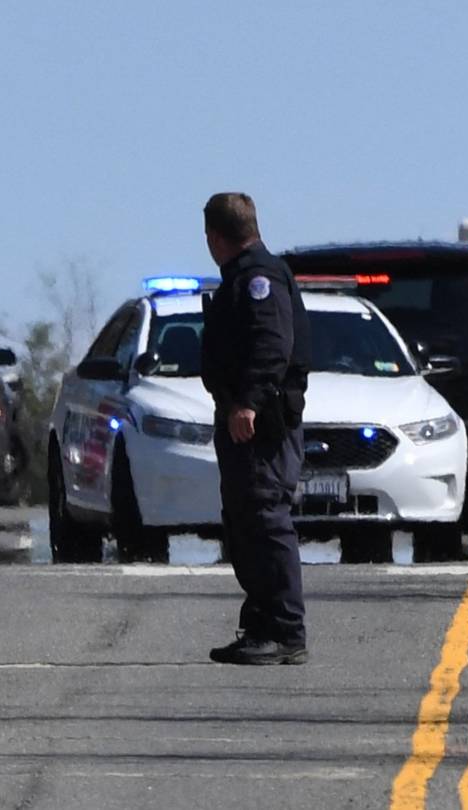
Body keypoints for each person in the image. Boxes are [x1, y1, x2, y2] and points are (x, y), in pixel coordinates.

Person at [198, 192, 312, 666]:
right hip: (245, 423)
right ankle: (262, 623)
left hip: (262, 426)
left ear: (215, 237)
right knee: (245, 524)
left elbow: (271, 345)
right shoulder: (243, 277)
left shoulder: (259, 279)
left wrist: (247, 403)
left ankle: (286, 630)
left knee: (265, 521)